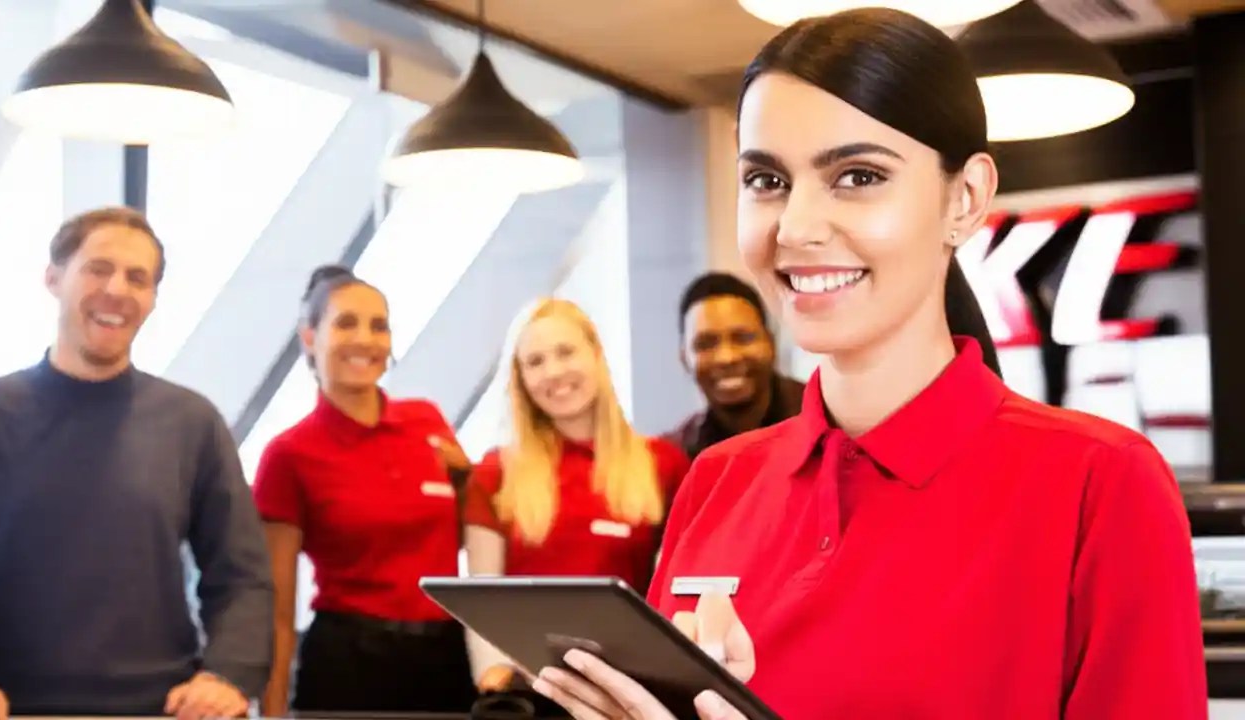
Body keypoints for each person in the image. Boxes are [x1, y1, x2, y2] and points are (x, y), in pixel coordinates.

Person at [534, 9, 1205, 720]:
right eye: (766, 179)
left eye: (857, 176)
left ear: (965, 198)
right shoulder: (717, 482)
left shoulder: (1102, 483)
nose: (796, 228)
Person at [0, 207, 274, 719]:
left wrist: (227, 675)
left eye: (138, 278)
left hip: (159, 707)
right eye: (98, 269)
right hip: (5, 707)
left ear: (152, 299)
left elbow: (242, 575)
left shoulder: (191, 423)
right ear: (53, 278)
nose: (117, 290)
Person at [251, 265, 476, 715]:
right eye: (346, 323)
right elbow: (277, 609)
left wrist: (469, 479)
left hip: (446, 659)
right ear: (310, 337)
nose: (365, 339)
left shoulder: (427, 423)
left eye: (379, 326)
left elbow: (468, 535)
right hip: (349, 665)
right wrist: (271, 712)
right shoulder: (288, 453)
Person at [463, 298, 690, 695]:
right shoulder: (495, 474)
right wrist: (497, 685)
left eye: (566, 352)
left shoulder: (662, 465)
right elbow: (481, 601)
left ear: (596, 354)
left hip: (626, 691)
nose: (553, 372)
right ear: (520, 378)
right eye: (535, 361)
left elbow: (676, 596)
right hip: (530, 692)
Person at [667, 272, 804, 461]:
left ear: (771, 344)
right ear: (684, 359)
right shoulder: (679, 457)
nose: (727, 358)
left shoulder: (829, 420)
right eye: (705, 344)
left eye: (743, 338)